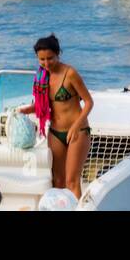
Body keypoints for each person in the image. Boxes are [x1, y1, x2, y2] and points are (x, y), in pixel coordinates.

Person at [19, 34, 92, 200]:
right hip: (55, 132)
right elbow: (43, 107)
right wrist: (24, 111)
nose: (46, 63)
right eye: (42, 59)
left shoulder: (70, 73)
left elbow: (88, 102)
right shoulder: (41, 77)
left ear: (58, 54)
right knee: (57, 180)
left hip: (78, 132)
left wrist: (76, 126)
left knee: (71, 181)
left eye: (50, 58)